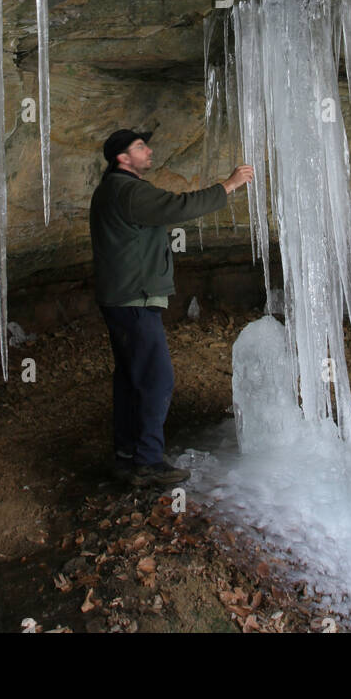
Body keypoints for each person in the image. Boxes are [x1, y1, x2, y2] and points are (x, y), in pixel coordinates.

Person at [89, 128, 253, 486]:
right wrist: (228, 185)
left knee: (131, 379)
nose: (148, 151)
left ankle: (126, 456)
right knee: (156, 379)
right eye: (139, 147)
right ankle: (147, 462)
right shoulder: (128, 191)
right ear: (122, 158)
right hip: (135, 299)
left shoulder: (111, 191)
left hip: (121, 298)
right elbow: (178, 207)